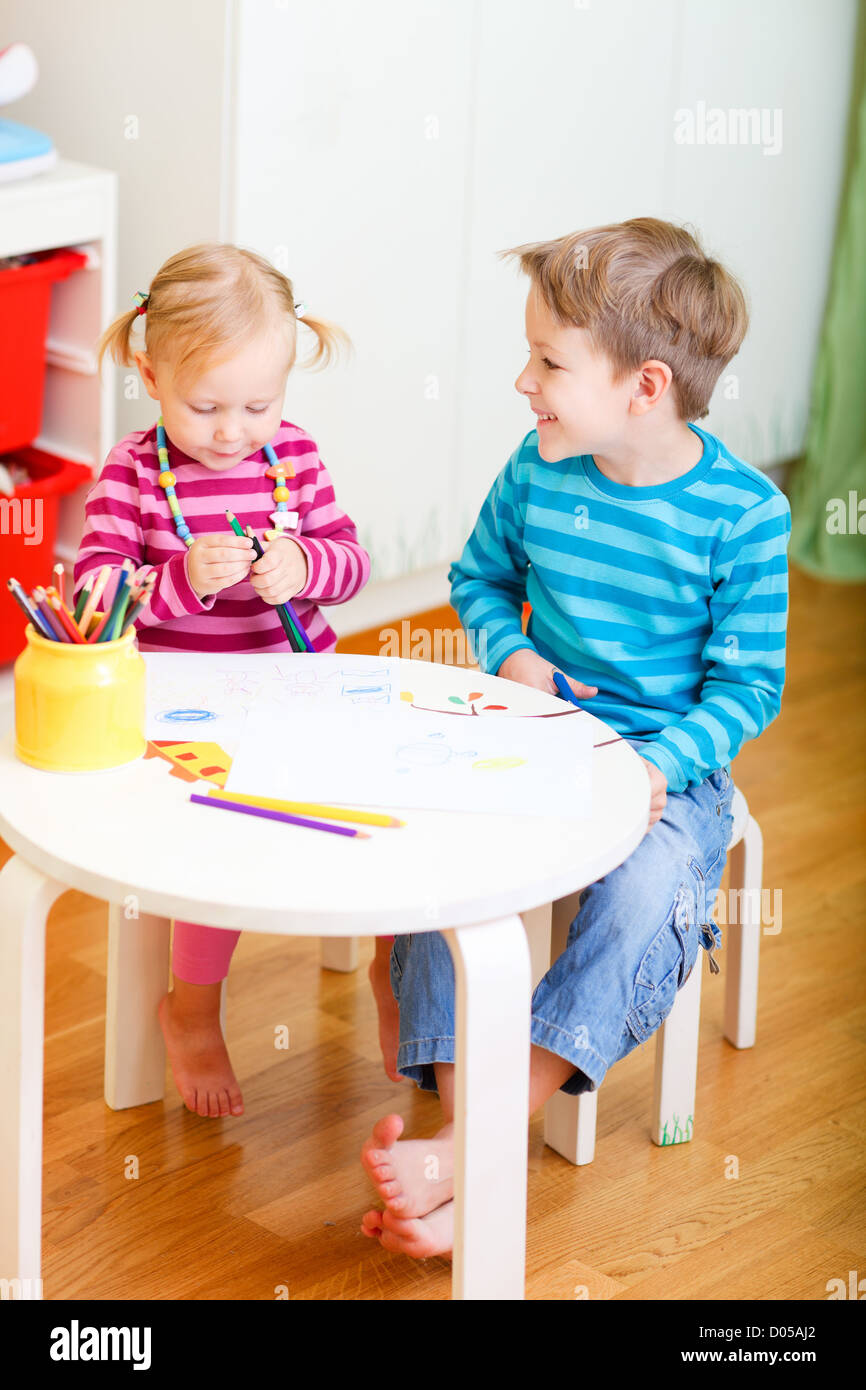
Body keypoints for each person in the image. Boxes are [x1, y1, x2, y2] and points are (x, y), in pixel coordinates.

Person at [361, 216, 791, 1257]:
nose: (522, 381)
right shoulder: (538, 466)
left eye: (547, 361)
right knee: (440, 865)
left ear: (644, 387)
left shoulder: (743, 515)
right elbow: (479, 577)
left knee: (648, 890)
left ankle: (469, 1147)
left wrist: (654, 762)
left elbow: (748, 689)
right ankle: (469, 1140)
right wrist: (511, 659)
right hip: (526, 732)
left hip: (662, 769)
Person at [74, 242, 370, 1118]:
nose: (234, 430)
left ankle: (391, 980)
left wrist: (304, 566)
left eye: (258, 404)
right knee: (222, 844)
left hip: (291, 693)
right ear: (148, 372)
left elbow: (352, 563)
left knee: (384, 803)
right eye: (205, 406)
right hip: (182, 707)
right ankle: (193, 1009)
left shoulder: (296, 460)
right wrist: (180, 583)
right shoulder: (132, 473)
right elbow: (92, 601)